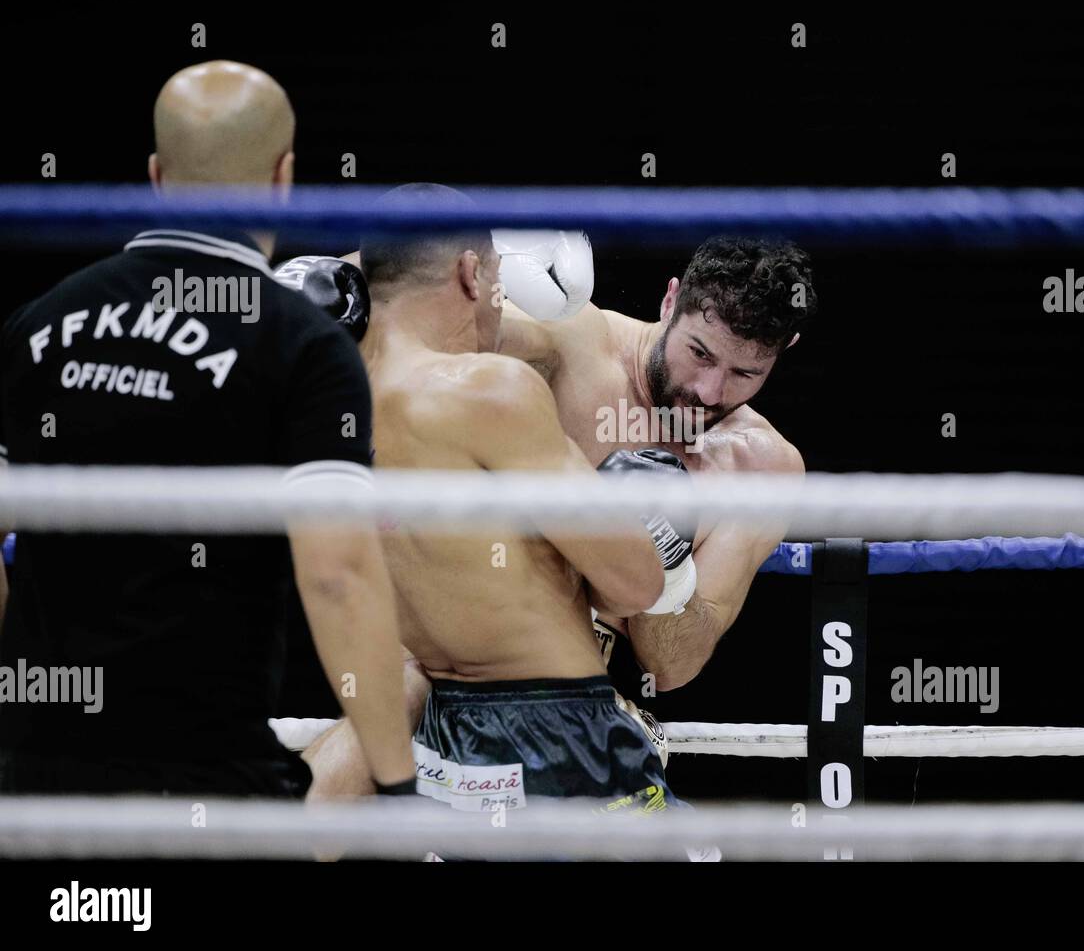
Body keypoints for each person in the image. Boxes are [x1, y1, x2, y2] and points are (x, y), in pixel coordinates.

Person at [0, 61, 415, 797]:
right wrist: (394, 783)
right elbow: (338, 573)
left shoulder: (38, 324)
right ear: (285, 178)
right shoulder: (303, 345)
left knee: (91, 919)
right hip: (208, 781)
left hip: (39, 779)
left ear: (156, 176)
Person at [299, 185, 686, 815]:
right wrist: (652, 530)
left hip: (444, 746)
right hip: (559, 738)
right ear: (470, 272)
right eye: (499, 273)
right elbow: (637, 584)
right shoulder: (490, 389)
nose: (505, 297)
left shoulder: (330, 412)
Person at [495, 233, 815, 764]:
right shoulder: (571, 341)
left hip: (585, 710)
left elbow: (672, 667)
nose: (710, 392)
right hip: (449, 653)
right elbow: (390, 296)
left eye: (744, 374)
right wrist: (486, 256)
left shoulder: (761, 469)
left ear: (784, 354)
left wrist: (669, 573)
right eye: (699, 353)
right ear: (670, 302)